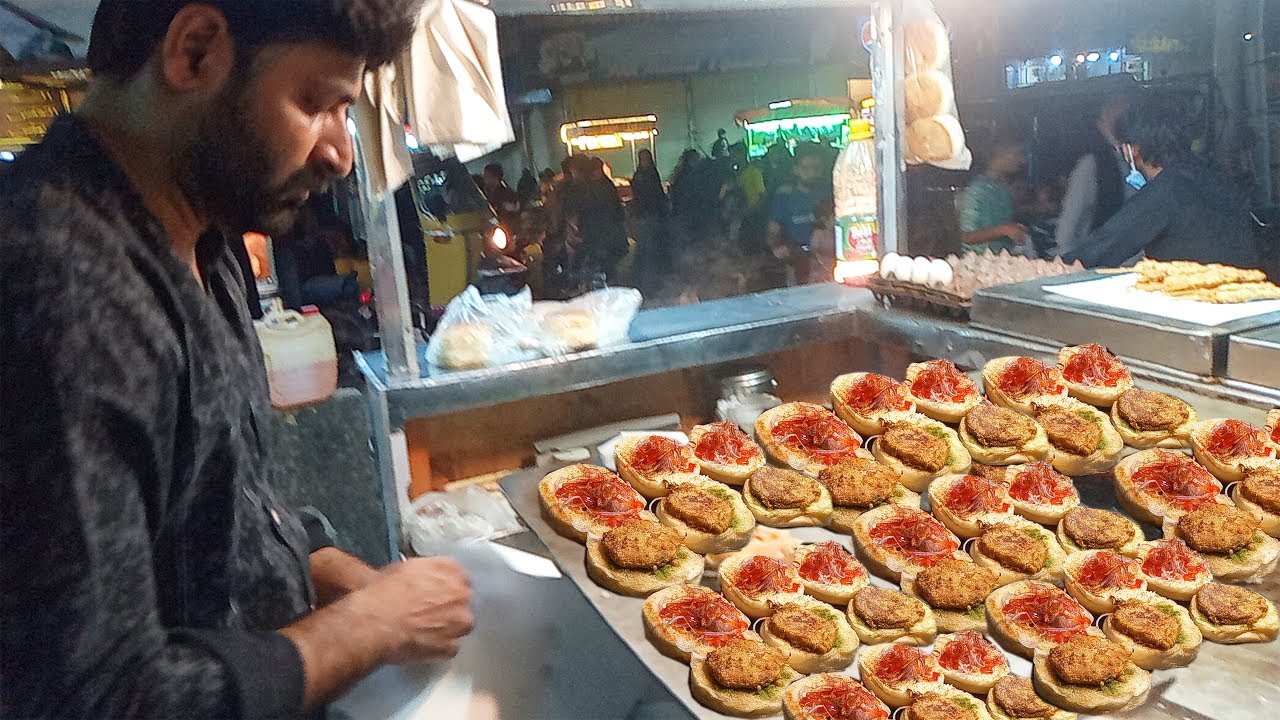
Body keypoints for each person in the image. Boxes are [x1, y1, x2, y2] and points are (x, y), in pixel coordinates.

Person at [0, 2, 475, 718]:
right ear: (195, 52)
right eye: (316, 103)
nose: (340, 152)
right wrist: (368, 628)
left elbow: (225, 502)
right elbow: (96, 698)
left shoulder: (204, 239)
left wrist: (349, 581)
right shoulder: (57, 285)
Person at [1069, 98, 1262, 268]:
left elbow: (1105, 246)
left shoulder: (1163, 192)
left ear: (1131, 150)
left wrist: (1055, 267)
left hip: (1198, 299)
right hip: (1247, 292)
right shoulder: (1216, 177)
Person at [1050, 97, 1129, 259]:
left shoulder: (1142, 159)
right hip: (1099, 259)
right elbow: (1067, 231)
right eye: (1117, 117)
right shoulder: (1092, 165)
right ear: (1101, 124)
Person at [767, 142, 830, 284]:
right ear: (796, 169)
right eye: (805, 168)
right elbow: (773, 230)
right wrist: (776, 248)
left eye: (816, 168)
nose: (811, 173)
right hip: (795, 261)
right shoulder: (784, 195)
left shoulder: (829, 194)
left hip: (825, 262)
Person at [958, 137, 1031, 254]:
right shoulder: (976, 189)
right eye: (1017, 154)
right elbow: (966, 236)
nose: (1021, 160)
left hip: (1002, 259)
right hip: (979, 263)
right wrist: (1004, 230)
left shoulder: (1001, 186)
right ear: (1000, 153)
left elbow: (996, 215)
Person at [482, 162, 521, 228]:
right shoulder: (484, 194)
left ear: (495, 177)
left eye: (487, 176)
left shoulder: (507, 195)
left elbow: (512, 213)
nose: (484, 178)